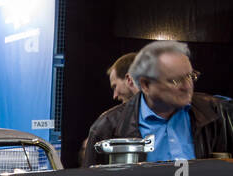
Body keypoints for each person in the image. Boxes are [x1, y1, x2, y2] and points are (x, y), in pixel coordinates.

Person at [86, 39, 232, 164]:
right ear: (145, 84)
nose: (187, 86)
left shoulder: (220, 113)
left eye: (190, 76)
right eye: (175, 80)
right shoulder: (107, 128)